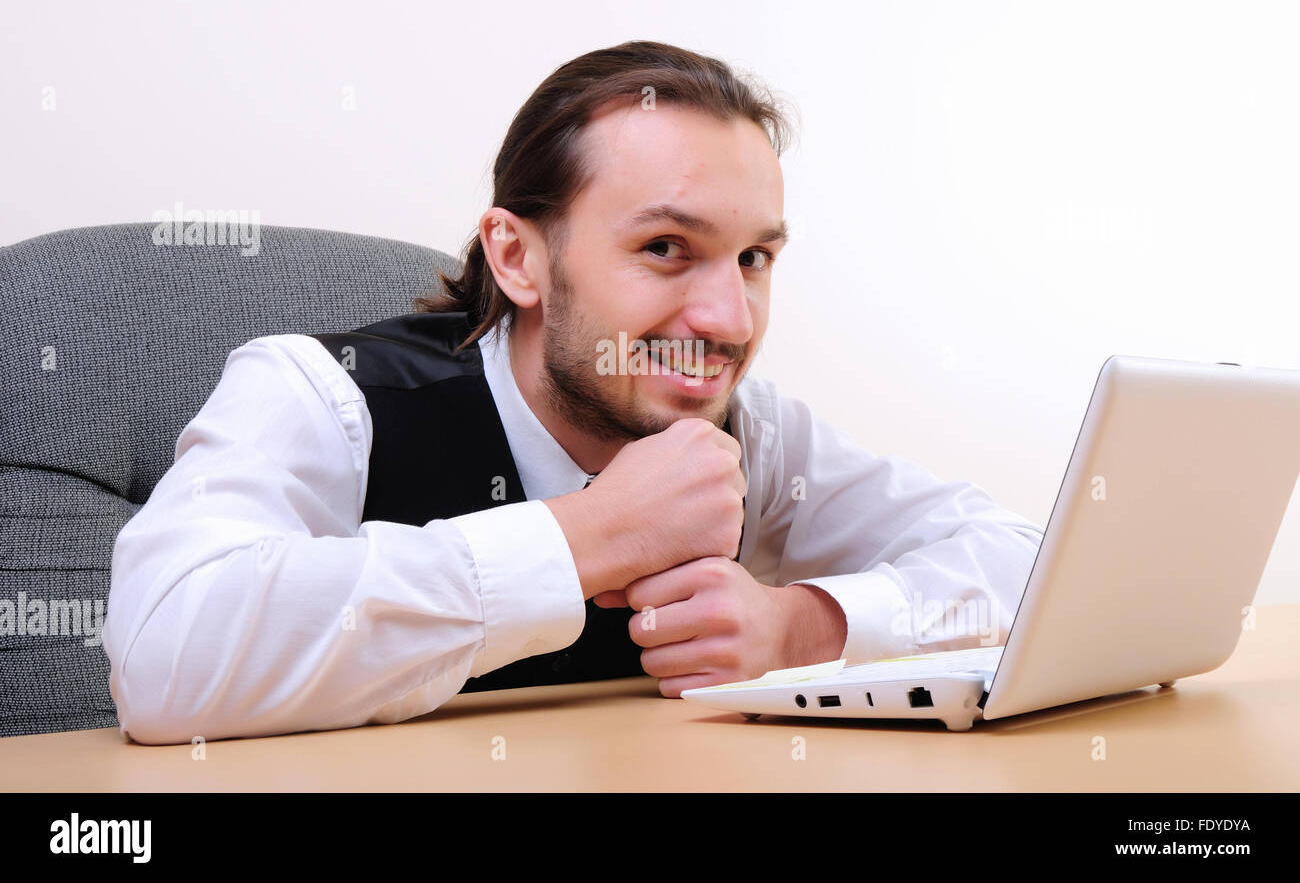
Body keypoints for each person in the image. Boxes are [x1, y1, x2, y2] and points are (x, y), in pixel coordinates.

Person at [103, 40, 1045, 745]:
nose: (727, 318)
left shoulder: (750, 434)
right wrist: (590, 538)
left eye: (754, 257)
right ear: (519, 256)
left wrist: (806, 623)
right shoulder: (321, 393)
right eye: (665, 248)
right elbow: (162, 656)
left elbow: (1026, 566)